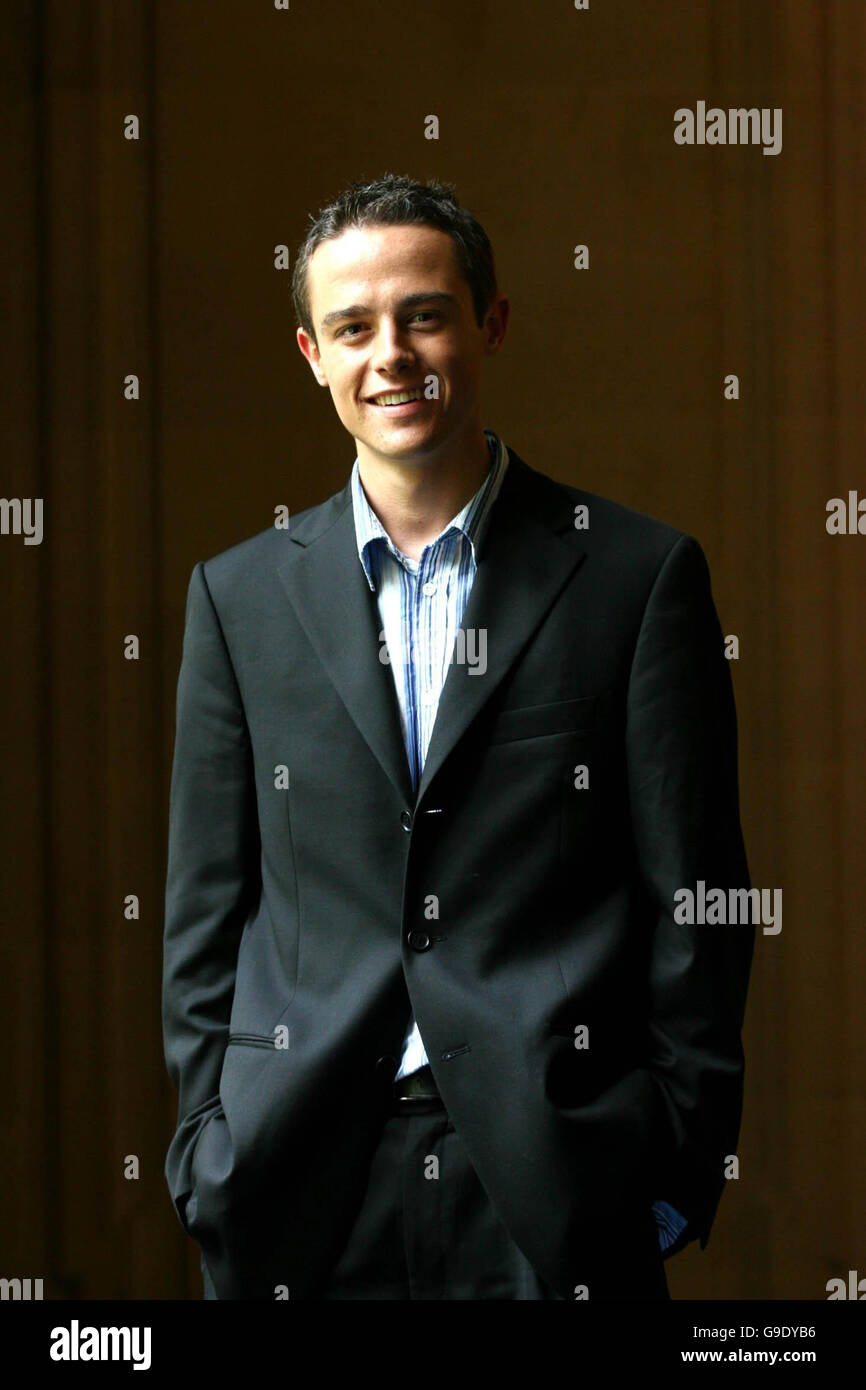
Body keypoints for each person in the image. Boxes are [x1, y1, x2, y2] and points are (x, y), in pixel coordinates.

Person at [161, 173, 754, 1301]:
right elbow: (204, 906)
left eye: (422, 313)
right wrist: (206, 1152)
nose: (390, 352)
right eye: (352, 327)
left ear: (487, 323)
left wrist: (670, 1163)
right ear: (312, 354)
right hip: (296, 1186)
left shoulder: (634, 578)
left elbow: (698, 899)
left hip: (554, 1183)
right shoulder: (235, 600)